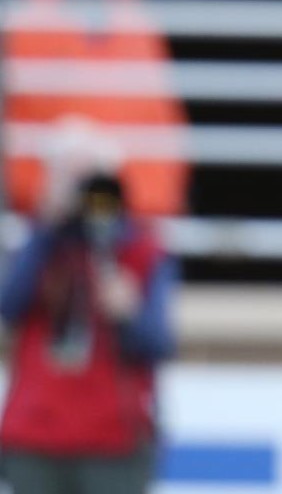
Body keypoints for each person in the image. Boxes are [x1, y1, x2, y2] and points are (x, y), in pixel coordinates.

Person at [0, 142, 177, 494]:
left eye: (86, 179)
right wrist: (46, 228)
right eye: (65, 176)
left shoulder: (141, 250)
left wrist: (129, 312)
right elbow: (9, 305)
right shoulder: (37, 243)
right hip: (37, 436)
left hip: (113, 440)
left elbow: (159, 342)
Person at [5, 0, 189, 220]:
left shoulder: (136, 18)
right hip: (44, 208)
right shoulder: (26, 18)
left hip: (131, 204)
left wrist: (157, 201)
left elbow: (162, 117)